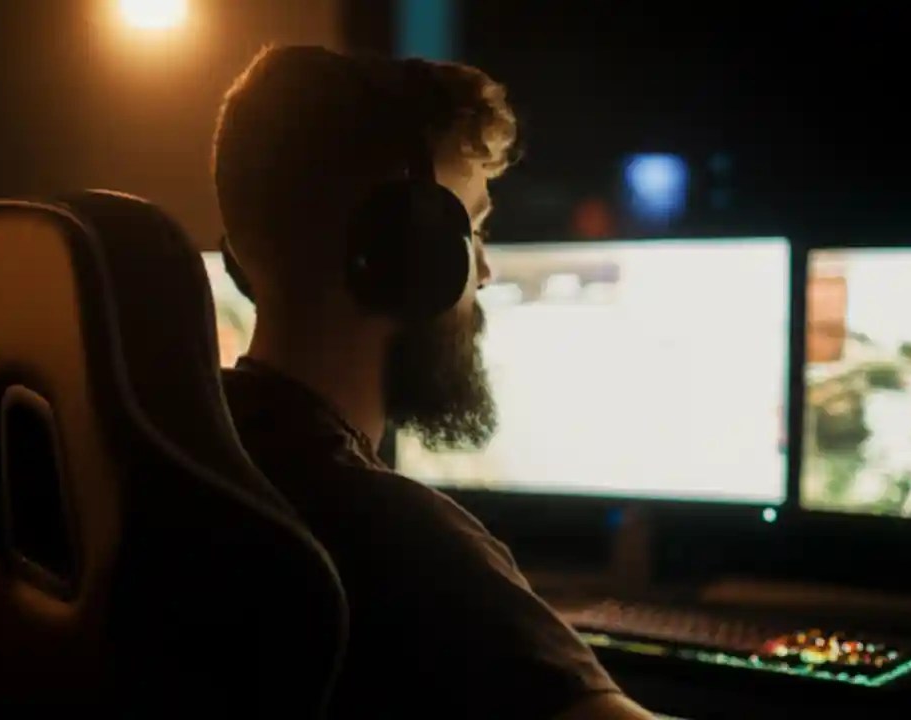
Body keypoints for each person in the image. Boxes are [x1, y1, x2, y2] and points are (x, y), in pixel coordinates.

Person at [212, 45, 655, 719]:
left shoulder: (199, 457)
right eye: (470, 228)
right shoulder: (394, 541)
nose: (484, 272)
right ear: (406, 255)